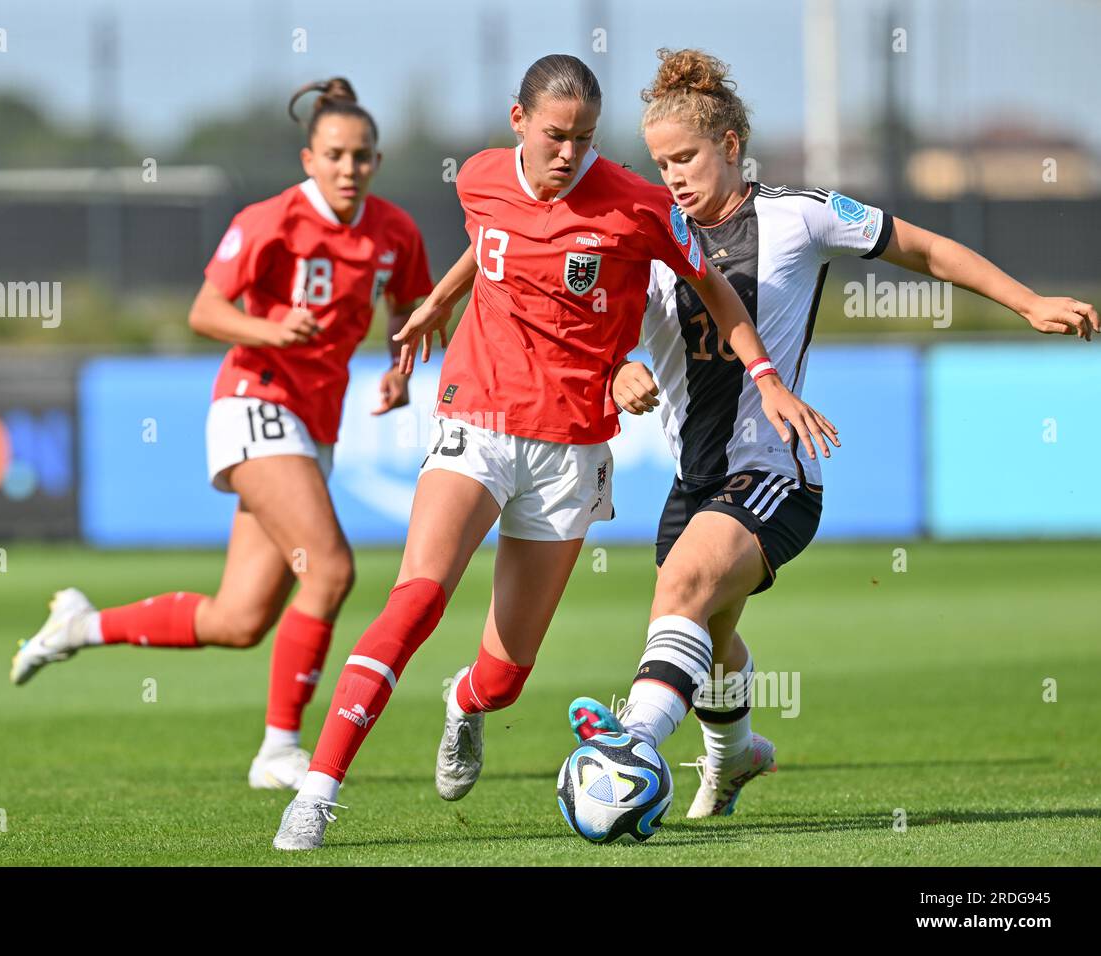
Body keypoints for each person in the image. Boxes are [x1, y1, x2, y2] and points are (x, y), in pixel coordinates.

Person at [273, 53, 837, 850]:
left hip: (570, 448)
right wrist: (441, 297)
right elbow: (491, 237)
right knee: (418, 597)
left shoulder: (639, 206)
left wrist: (766, 375)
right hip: (477, 418)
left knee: (503, 681)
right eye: (553, 135)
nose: (568, 154)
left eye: (584, 139)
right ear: (518, 123)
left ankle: (463, 705)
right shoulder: (479, 176)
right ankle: (318, 792)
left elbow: (712, 284)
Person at [568, 48, 1098, 819]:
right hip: (696, 479)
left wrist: (1025, 302)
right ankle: (736, 753)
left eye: (685, 157)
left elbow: (925, 248)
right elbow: (609, 332)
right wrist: (619, 372)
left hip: (777, 472)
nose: (673, 176)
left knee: (683, 588)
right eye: (660, 162)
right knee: (706, 633)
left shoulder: (801, 213)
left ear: (730, 145)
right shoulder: (652, 236)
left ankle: (634, 748)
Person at [9, 78, 433, 791]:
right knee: (329, 570)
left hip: (314, 425)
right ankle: (278, 750)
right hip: (255, 402)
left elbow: (410, 308)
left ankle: (81, 625)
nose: (348, 168)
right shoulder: (272, 220)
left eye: (361, 156)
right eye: (334, 154)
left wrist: (399, 370)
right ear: (309, 158)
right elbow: (204, 310)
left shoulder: (394, 230)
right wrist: (270, 329)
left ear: (378, 161)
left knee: (238, 620)